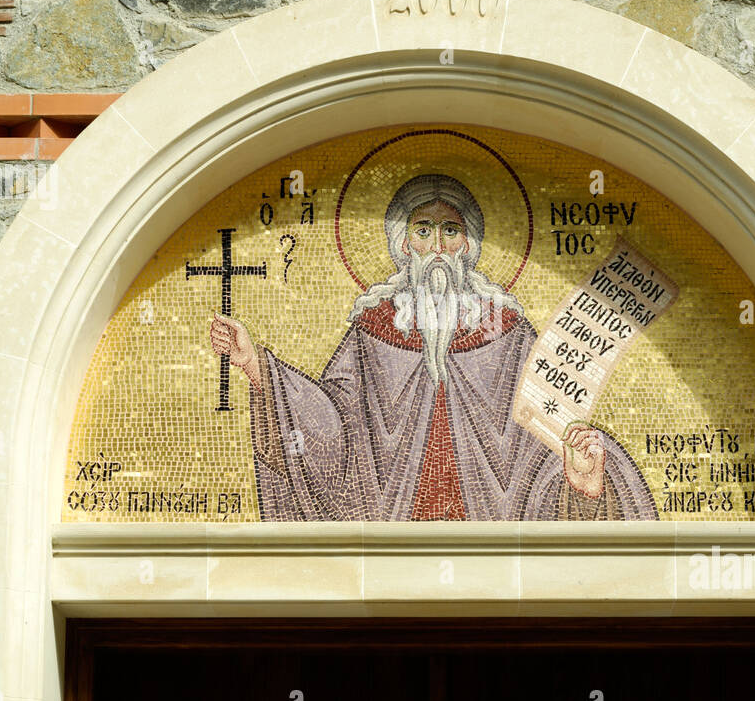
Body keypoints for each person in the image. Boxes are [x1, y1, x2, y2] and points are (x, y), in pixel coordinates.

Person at [210, 173, 657, 522]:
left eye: (450, 230)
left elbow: (542, 443)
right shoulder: (373, 330)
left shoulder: (509, 331)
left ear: (468, 245)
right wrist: (256, 366)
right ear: (404, 244)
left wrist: (584, 481)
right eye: (424, 230)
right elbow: (334, 426)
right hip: (391, 543)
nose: (438, 246)